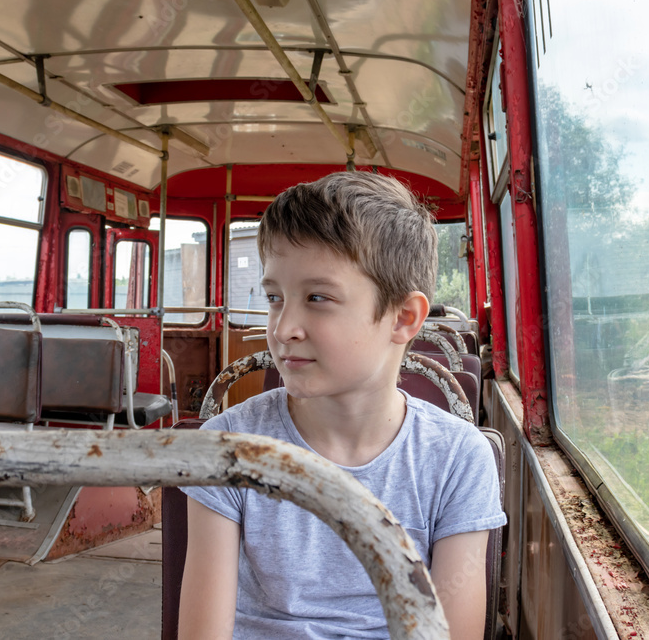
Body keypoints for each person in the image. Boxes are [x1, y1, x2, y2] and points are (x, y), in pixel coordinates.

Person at [180, 171, 506, 639]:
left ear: (403, 317)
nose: (284, 327)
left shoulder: (457, 458)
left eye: (317, 298)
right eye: (275, 298)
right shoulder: (229, 446)